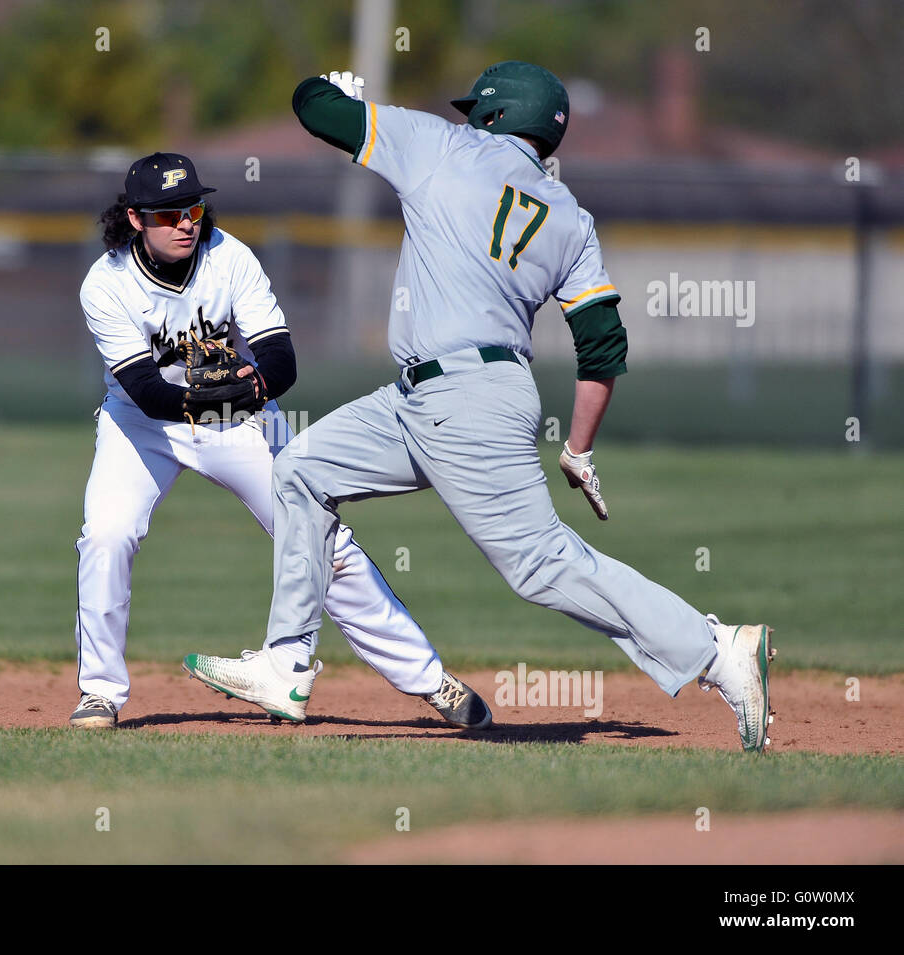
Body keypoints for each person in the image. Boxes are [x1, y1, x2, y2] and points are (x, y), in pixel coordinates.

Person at [183, 66, 776, 752]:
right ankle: (285, 663)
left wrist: (331, 86)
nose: (469, 119)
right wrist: (579, 448)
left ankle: (717, 650)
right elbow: (603, 345)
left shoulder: (441, 147)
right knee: (302, 470)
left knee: (542, 563)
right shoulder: (570, 217)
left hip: (460, 403)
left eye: (477, 112)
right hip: (432, 397)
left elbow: (315, 111)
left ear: (493, 117)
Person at [71, 151, 491, 730]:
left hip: (239, 423)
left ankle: (431, 681)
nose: (187, 221)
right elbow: (148, 391)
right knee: (106, 536)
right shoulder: (107, 282)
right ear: (136, 219)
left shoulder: (229, 256)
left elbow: (279, 357)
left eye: (193, 207)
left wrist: (251, 388)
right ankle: (100, 692)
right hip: (141, 425)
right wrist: (236, 388)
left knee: (322, 541)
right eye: (169, 214)